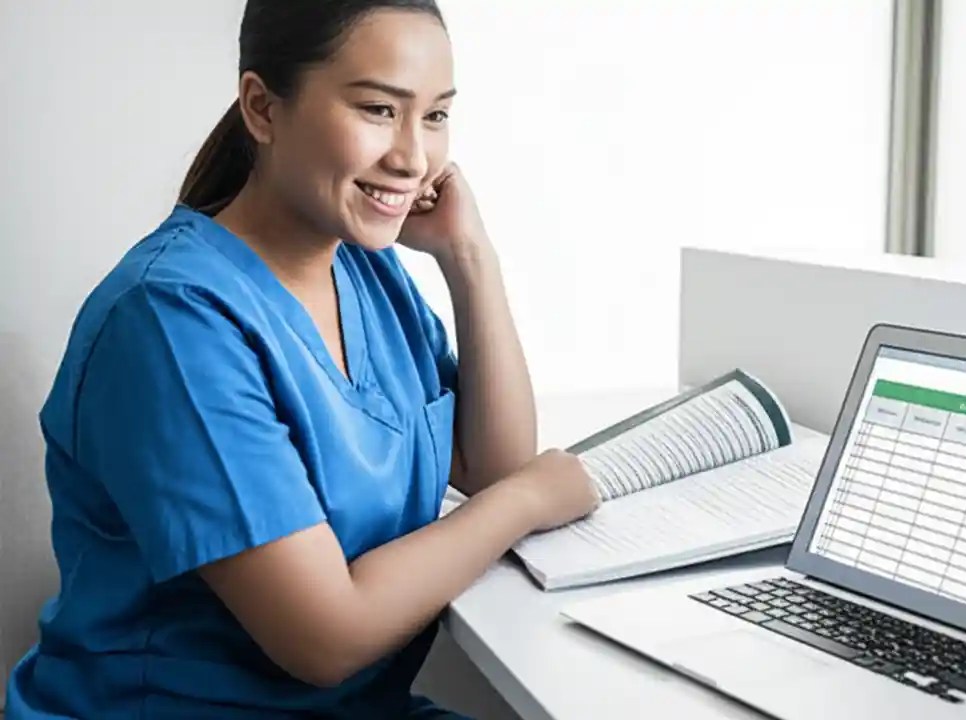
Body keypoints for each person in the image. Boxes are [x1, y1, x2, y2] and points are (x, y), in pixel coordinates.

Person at [4, 1, 601, 717]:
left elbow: (494, 465)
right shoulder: (173, 323)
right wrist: (530, 500)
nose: (413, 156)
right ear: (262, 108)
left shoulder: (366, 270)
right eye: (380, 109)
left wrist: (469, 258)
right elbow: (326, 637)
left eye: (436, 116)